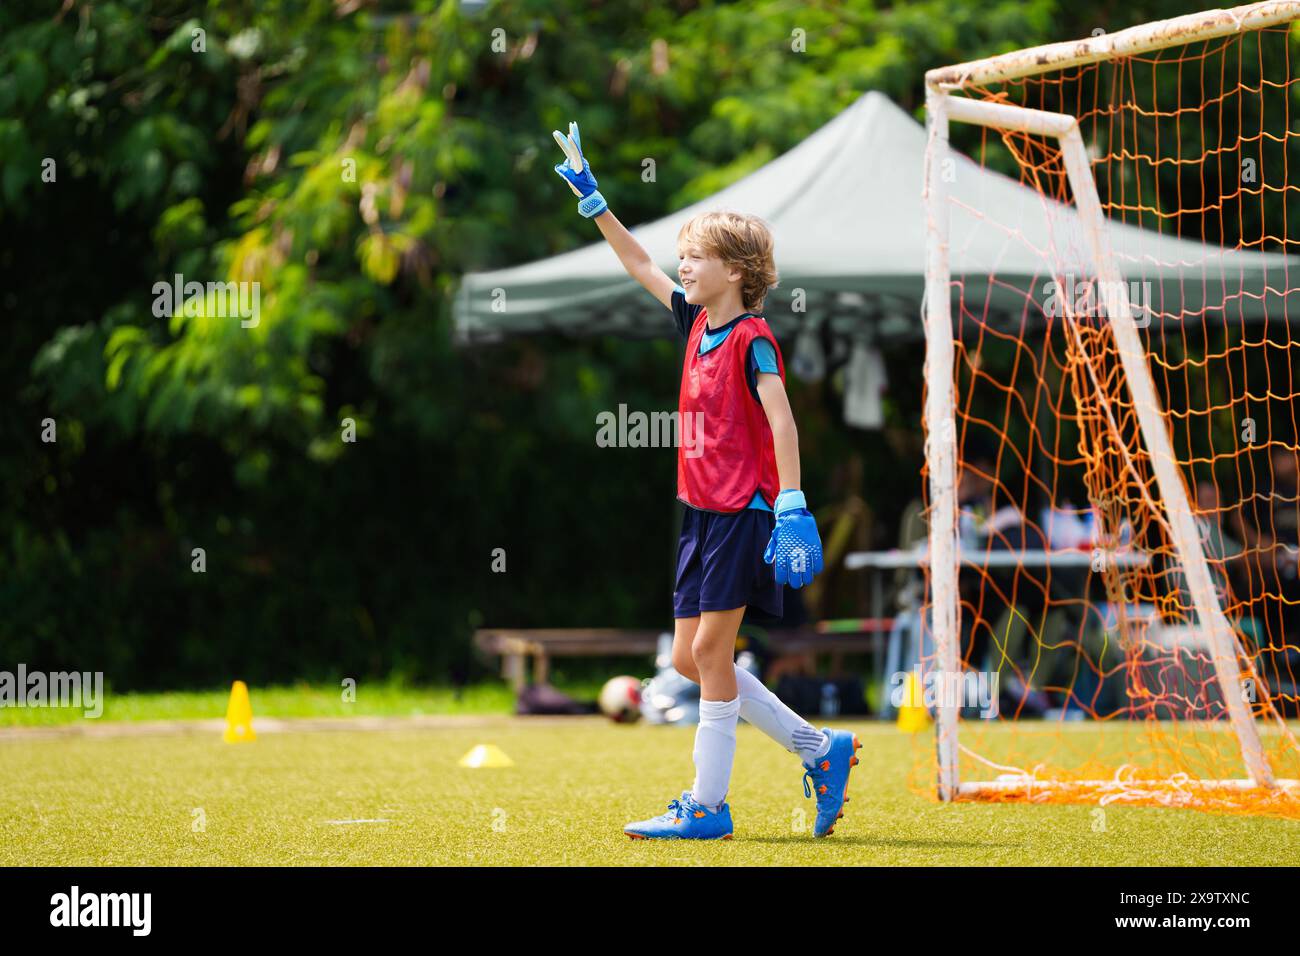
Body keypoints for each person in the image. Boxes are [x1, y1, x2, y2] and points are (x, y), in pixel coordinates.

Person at [551, 122, 860, 839]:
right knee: (691, 660)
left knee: (713, 655)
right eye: (685, 255)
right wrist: (595, 201)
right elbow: (637, 263)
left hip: (744, 513)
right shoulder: (694, 323)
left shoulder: (754, 336)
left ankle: (708, 806)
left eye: (698, 257)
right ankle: (821, 749)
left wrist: (790, 502)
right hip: (701, 514)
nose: (683, 264)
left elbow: (781, 422)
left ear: (739, 272)